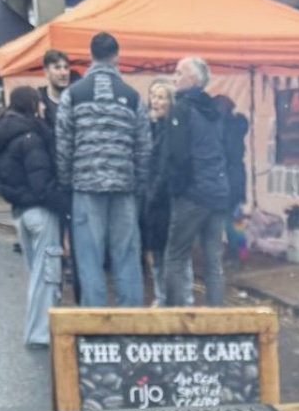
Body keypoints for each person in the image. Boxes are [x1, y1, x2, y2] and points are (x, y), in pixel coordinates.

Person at [54, 30, 150, 307]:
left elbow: (64, 144)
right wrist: (138, 185)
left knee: (89, 257)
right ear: (117, 57)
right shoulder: (132, 97)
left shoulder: (73, 95)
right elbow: (144, 147)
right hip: (124, 187)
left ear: (91, 56)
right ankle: (131, 323)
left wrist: (65, 182)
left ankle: (94, 329)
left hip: (85, 187)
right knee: (127, 256)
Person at [0, 86, 66, 347]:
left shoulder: (5, 134)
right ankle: (39, 333)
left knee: (36, 273)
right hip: (41, 212)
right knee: (45, 276)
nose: (43, 107)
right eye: (40, 103)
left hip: (21, 213)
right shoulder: (32, 137)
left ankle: (40, 329)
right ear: (32, 105)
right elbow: (41, 182)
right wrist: (66, 203)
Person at [162, 55, 231, 308]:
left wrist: (176, 189)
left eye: (178, 73)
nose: (174, 77)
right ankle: (217, 321)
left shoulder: (181, 109)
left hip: (193, 193)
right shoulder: (215, 110)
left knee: (176, 257)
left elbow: (176, 155)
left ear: (192, 79)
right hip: (218, 192)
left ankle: (176, 324)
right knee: (213, 262)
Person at [140, 77, 189, 308]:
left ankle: (183, 299)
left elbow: (168, 167)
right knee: (157, 251)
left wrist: (155, 192)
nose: (155, 102)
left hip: (170, 200)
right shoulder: (150, 127)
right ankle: (162, 296)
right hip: (153, 200)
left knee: (177, 253)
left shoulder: (175, 128)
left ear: (171, 101)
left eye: (161, 97)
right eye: (153, 96)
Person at [213, 91, 250, 260]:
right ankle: (241, 250)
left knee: (227, 218)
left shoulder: (221, 127)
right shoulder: (240, 123)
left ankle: (234, 252)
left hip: (226, 175)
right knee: (236, 216)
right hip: (237, 174)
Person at [37, 49, 71, 133]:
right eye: (57, 67)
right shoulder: (37, 102)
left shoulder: (77, 101)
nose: (63, 73)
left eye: (66, 67)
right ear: (46, 72)